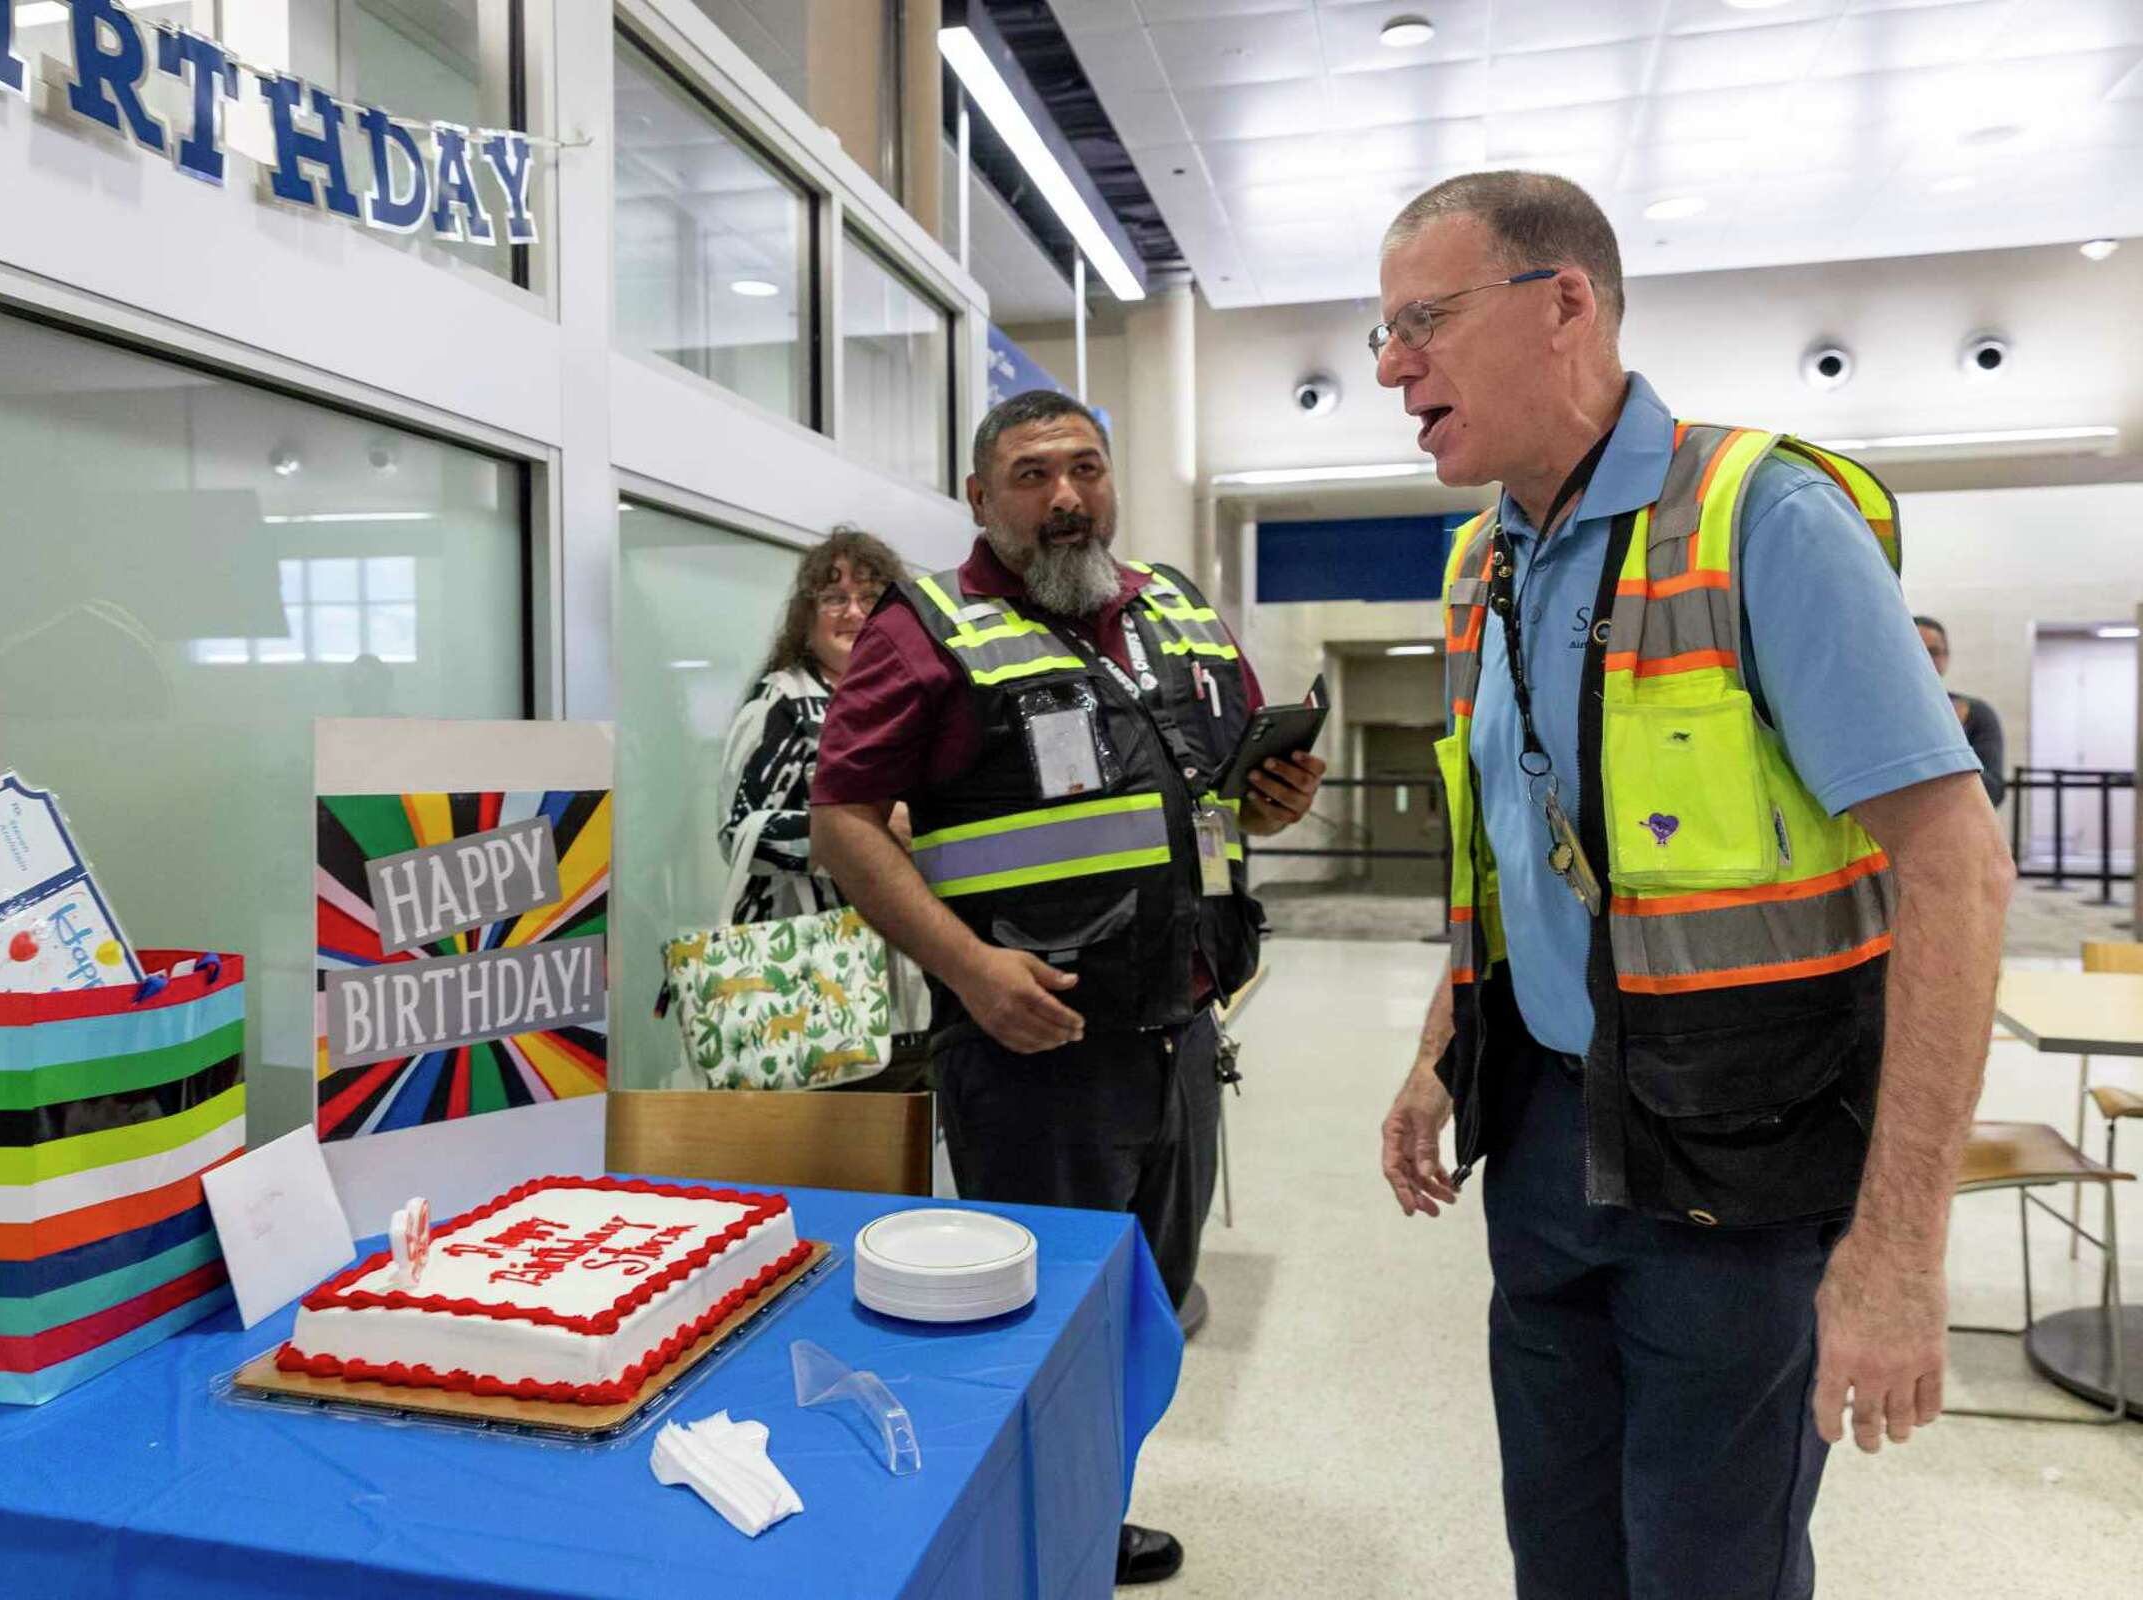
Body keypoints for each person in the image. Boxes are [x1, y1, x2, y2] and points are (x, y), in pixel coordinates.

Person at [1368, 172, 2013, 1600]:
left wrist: (1901, 1253)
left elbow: (1957, 871)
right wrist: (1434, 1057)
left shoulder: (1760, 518)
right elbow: (1523, 855)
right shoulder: (1483, 565)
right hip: (1542, 1148)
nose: (1390, 365)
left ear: (1565, 305)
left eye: (1423, 320)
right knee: (1565, 1559)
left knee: (1708, 1573)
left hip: (1747, 1176)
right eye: (1382, 331)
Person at [809, 388, 1325, 1587]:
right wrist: (970, 969)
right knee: (1026, 1324)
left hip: (1183, 1032)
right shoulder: (925, 628)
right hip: (1034, 1048)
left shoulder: (1180, 614)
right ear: (981, 500)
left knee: (1143, 1306)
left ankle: (1087, 1517)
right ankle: (1011, 1549)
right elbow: (842, 823)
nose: (1065, 497)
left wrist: (1271, 800)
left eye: (1084, 468)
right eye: (1031, 476)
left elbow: (1232, 782)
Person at [716, 525, 928, 1090]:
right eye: (834, 597)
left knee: (896, 1155)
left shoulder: (912, 702)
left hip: (908, 977)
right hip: (810, 978)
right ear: (805, 619)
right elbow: (739, 835)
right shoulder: (782, 705)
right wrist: (860, 833)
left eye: (871, 596)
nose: (853, 612)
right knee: (834, 1156)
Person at [1914, 615, 2007, 805]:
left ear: (1946, 657)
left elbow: (1993, 791)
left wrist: (1947, 738)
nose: (1926, 660)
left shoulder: (1975, 714)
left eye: (1933, 652)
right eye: (1916, 650)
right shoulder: (1879, 716)